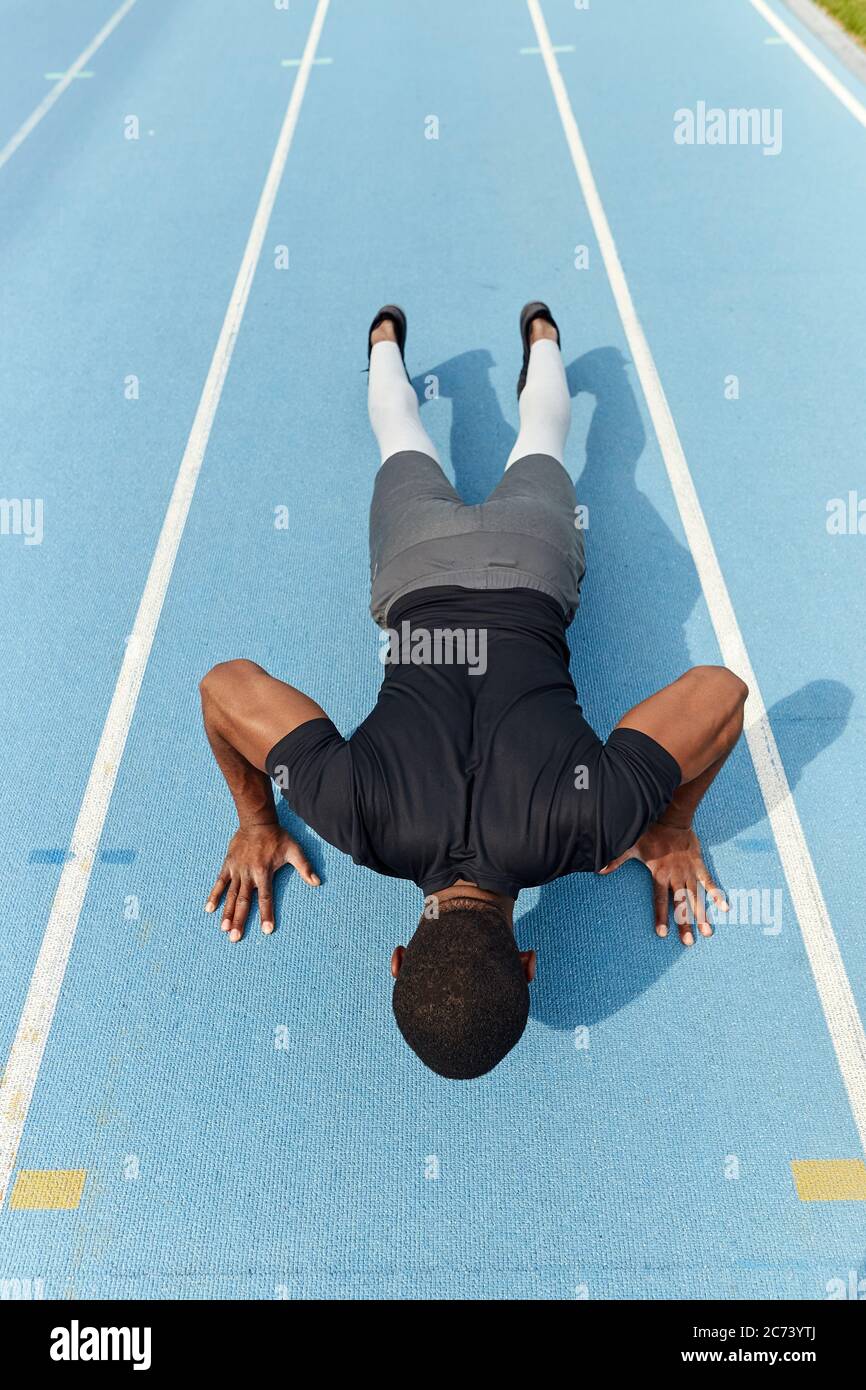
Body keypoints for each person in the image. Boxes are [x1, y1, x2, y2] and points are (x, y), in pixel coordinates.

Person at [198, 303, 747, 1080]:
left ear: (526, 962)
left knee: (546, 443)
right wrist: (257, 818)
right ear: (398, 957)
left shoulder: (594, 821)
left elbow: (718, 691)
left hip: (532, 562)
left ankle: (543, 340)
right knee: (401, 440)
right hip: (416, 566)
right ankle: (386, 338)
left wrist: (670, 821)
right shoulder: (353, 812)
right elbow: (226, 689)